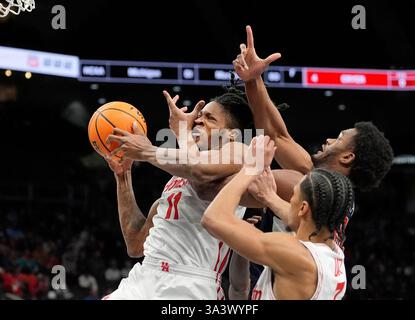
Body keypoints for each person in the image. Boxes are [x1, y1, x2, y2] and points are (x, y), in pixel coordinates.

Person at [101, 87, 300, 300]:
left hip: (192, 284)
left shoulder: (239, 151)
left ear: (230, 134)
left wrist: (150, 150)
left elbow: (200, 171)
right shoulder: (175, 178)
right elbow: (135, 243)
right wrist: (124, 176)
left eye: (210, 118)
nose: (197, 121)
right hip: (144, 276)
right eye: (199, 117)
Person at [233, 25, 394, 247]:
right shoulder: (325, 184)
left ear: (347, 157)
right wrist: (253, 78)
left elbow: (228, 187)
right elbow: (277, 135)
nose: (328, 140)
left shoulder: (313, 190)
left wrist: (187, 157)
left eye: (338, 139)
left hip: (293, 279)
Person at [202, 135, 354, 300]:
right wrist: (269, 198)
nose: (287, 202)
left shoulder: (293, 253)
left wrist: (250, 169)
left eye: (293, 196)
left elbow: (213, 218)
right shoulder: (335, 256)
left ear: (302, 209)